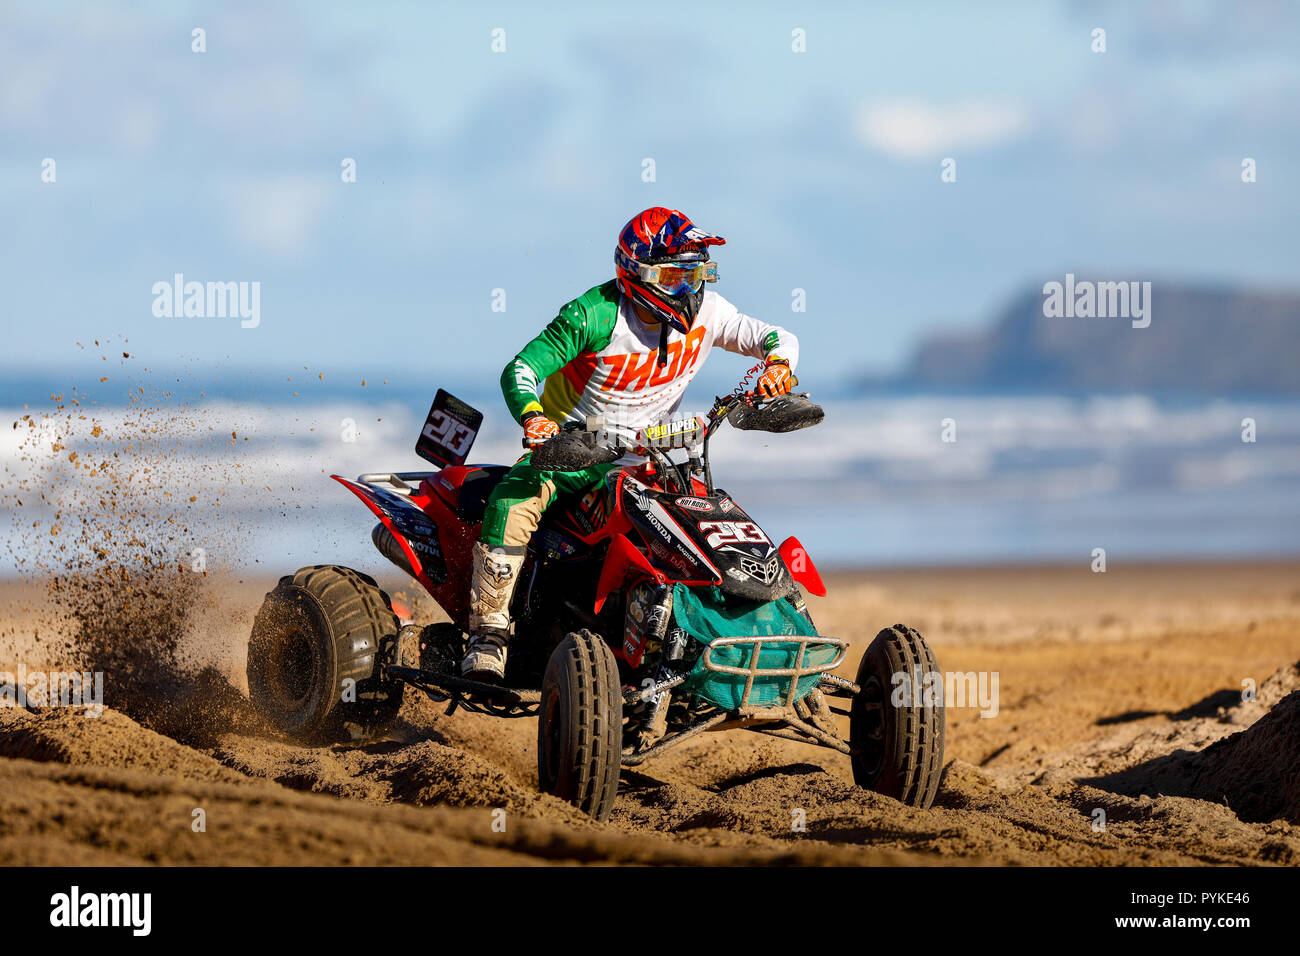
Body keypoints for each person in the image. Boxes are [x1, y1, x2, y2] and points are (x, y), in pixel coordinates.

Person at [462, 207, 801, 680]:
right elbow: (520, 370)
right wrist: (536, 419)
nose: (690, 287)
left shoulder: (711, 312)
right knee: (512, 503)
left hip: (652, 459)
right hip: (574, 452)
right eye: (675, 274)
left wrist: (778, 365)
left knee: (708, 524)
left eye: (698, 273)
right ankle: (489, 637)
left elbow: (774, 336)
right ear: (637, 272)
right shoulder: (593, 314)